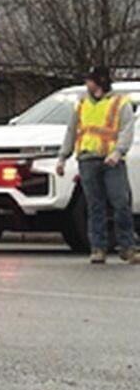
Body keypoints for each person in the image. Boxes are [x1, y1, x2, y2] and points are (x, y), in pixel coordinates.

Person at [56, 66, 135, 264]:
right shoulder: (82, 104)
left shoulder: (120, 103)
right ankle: (98, 248)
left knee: (120, 203)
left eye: (89, 80)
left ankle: (128, 248)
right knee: (95, 206)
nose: (86, 84)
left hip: (112, 161)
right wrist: (63, 157)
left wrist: (118, 152)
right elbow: (72, 131)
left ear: (99, 81)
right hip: (87, 160)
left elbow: (127, 130)